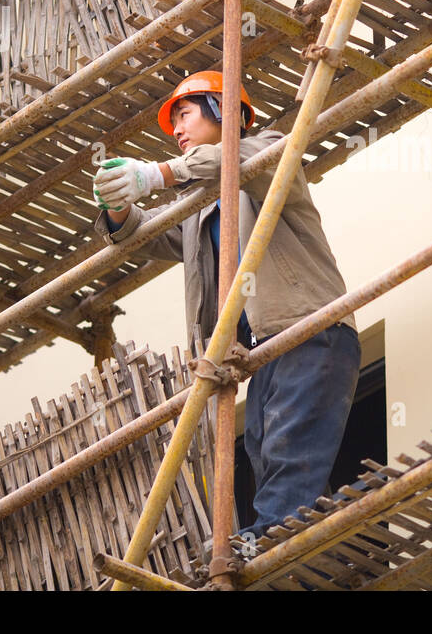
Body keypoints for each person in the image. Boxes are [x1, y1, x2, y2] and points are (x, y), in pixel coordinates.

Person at [89, 70, 360, 548]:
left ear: (225, 111)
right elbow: (142, 232)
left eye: (185, 114)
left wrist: (156, 175)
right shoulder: (197, 210)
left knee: (289, 446)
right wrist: (117, 205)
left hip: (311, 330)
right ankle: (289, 539)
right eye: (174, 121)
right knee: (260, 444)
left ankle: (272, 542)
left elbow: (235, 161)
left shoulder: (270, 148)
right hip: (264, 350)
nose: (177, 130)